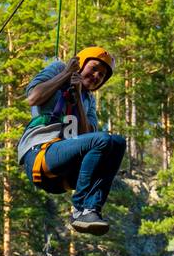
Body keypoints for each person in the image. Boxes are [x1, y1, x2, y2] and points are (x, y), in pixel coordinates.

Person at [16, 46, 125, 235]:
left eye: (102, 75)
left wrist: (79, 97)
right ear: (81, 64)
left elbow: (86, 135)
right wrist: (67, 73)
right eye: (94, 68)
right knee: (102, 140)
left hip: (63, 172)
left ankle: (90, 210)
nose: (97, 76)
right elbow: (34, 98)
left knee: (116, 143)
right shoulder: (58, 68)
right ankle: (80, 208)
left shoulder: (89, 100)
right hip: (40, 153)